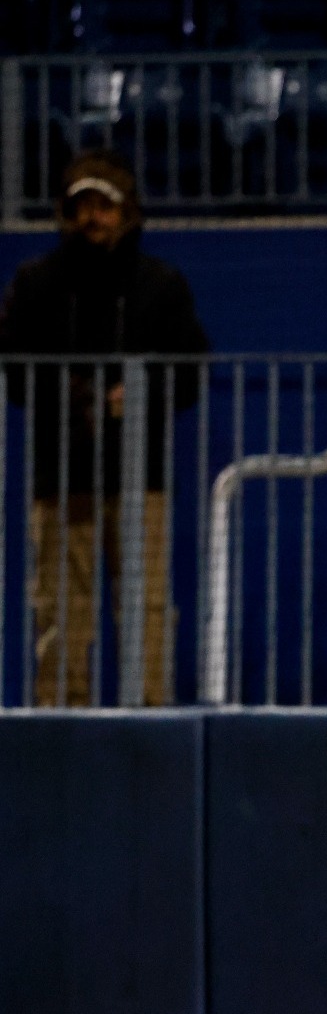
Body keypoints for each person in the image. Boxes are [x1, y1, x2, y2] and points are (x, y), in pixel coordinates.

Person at [0, 149, 208, 706]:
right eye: (82, 205)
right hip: (59, 476)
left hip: (142, 477)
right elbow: (14, 374)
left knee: (146, 606)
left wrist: (137, 398)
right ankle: (59, 725)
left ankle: (149, 720)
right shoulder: (35, 282)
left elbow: (190, 375)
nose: (93, 216)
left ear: (129, 212)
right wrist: (75, 398)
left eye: (105, 205)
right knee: (58, 608)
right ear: (66, 213)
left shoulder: (163, 285)